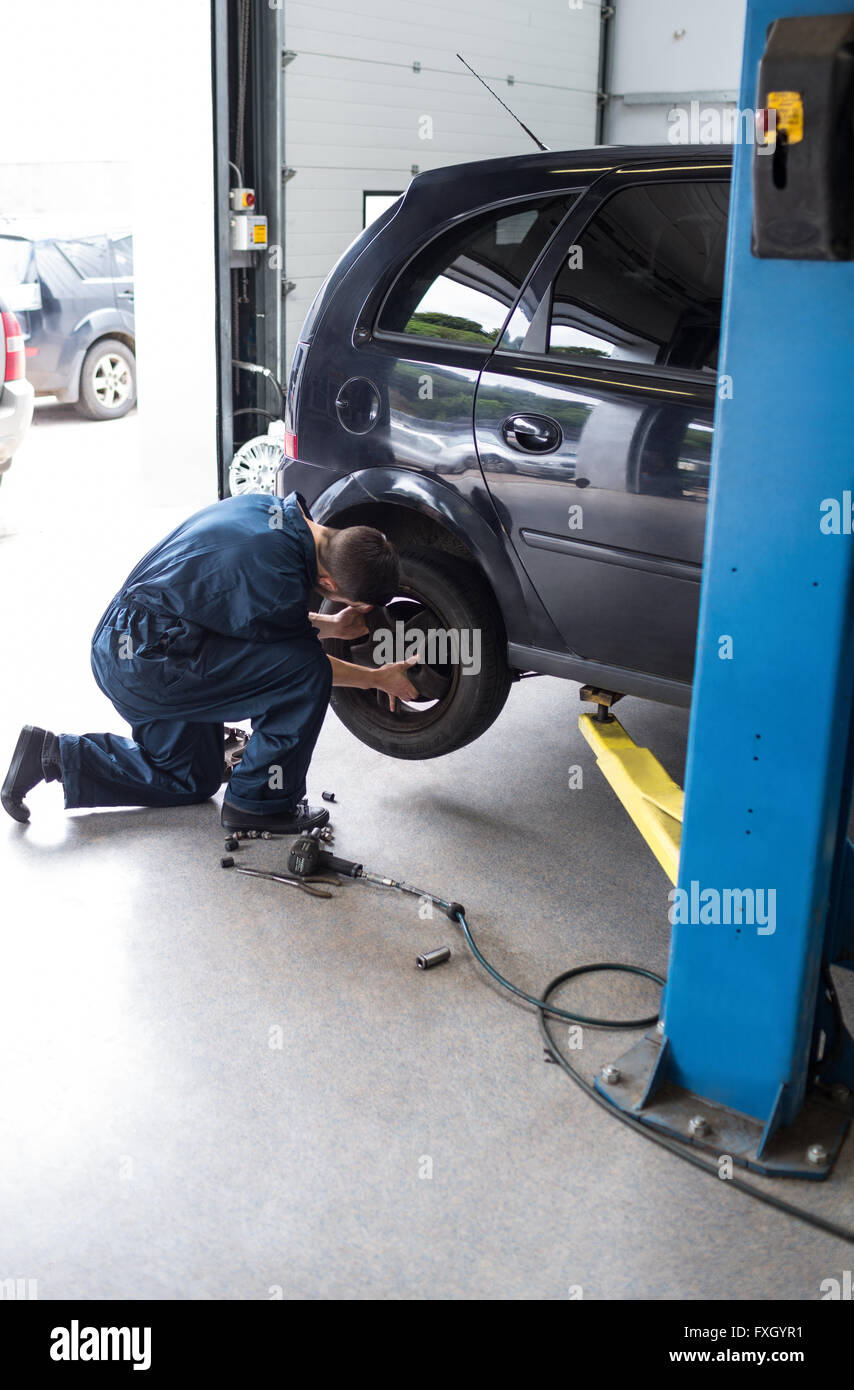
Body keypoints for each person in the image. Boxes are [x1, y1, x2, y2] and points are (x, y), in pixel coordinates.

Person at [1, 490, 417, 832]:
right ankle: (260, 802)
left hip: (130, 642)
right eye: (349, 601)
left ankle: (52, 754)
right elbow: (300, 668)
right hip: (148, 664)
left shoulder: (265, 510)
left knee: (190, 779)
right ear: (328, 583)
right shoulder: (278, 577)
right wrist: (377, 679)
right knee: (306, 671)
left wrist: (332, 624)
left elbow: (248, 615)